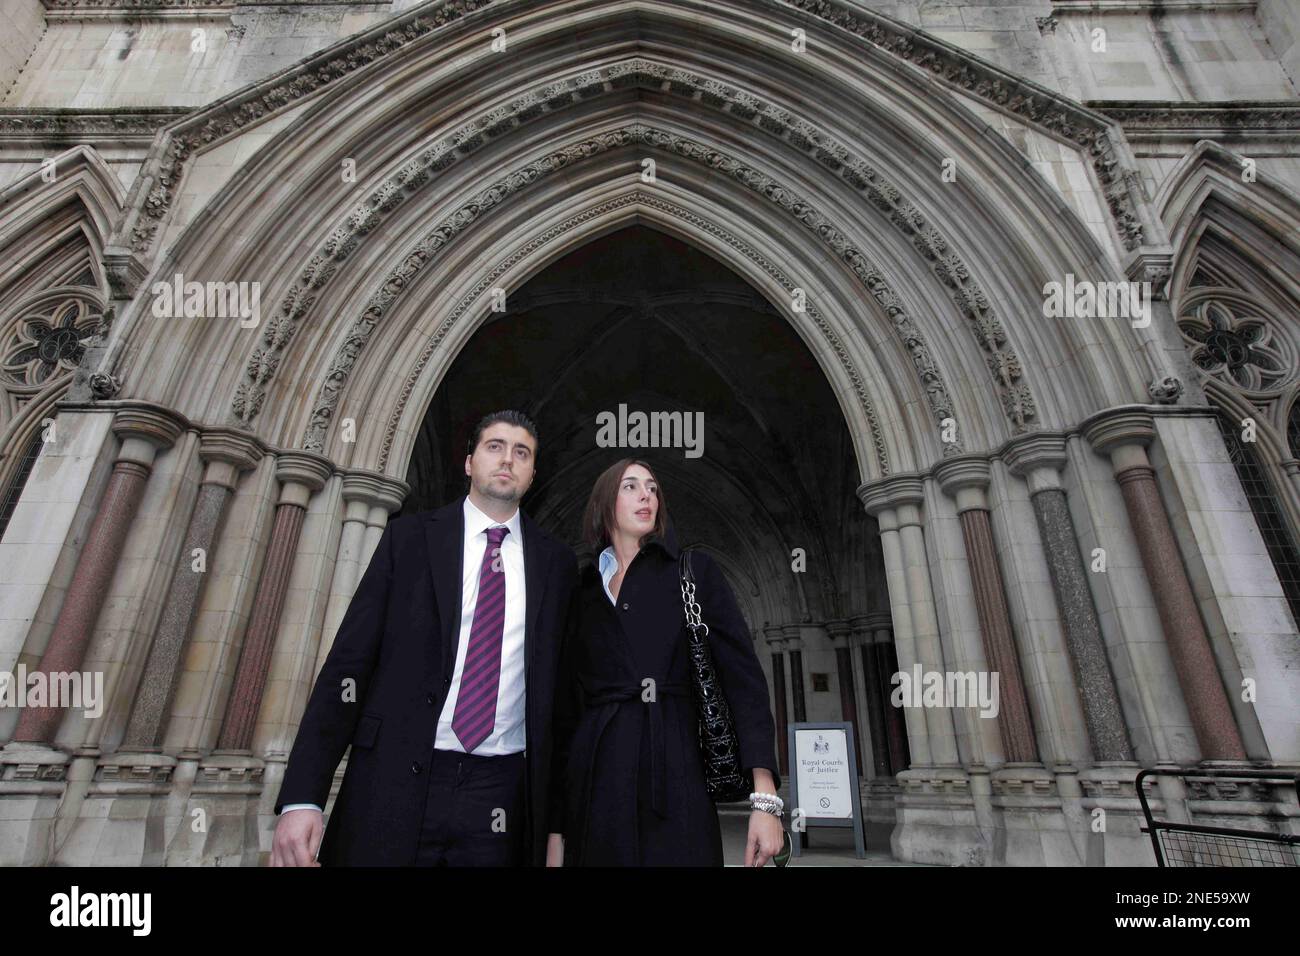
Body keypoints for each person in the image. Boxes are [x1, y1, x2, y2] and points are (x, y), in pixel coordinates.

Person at [271, 410, 579, 866]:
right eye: (495, 447)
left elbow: (561, 704)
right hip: (397, 776)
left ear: (533, 472)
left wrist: (556, 827)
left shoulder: (556, 564)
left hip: (501, 792)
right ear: (469, 462)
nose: (507, 460)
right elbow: (348, 665)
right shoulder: (409, 539)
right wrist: (302, 798)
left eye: (522, 453)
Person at [554, 458, 784, 866]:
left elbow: (744, 683)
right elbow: (565, 712)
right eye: (630, 486)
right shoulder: (581, 591)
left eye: (653, 488)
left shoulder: (693, 572)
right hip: (596, 783)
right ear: (604, 503)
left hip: (676, 772)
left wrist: (764, 801)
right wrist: (557, 834)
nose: (646, 495)